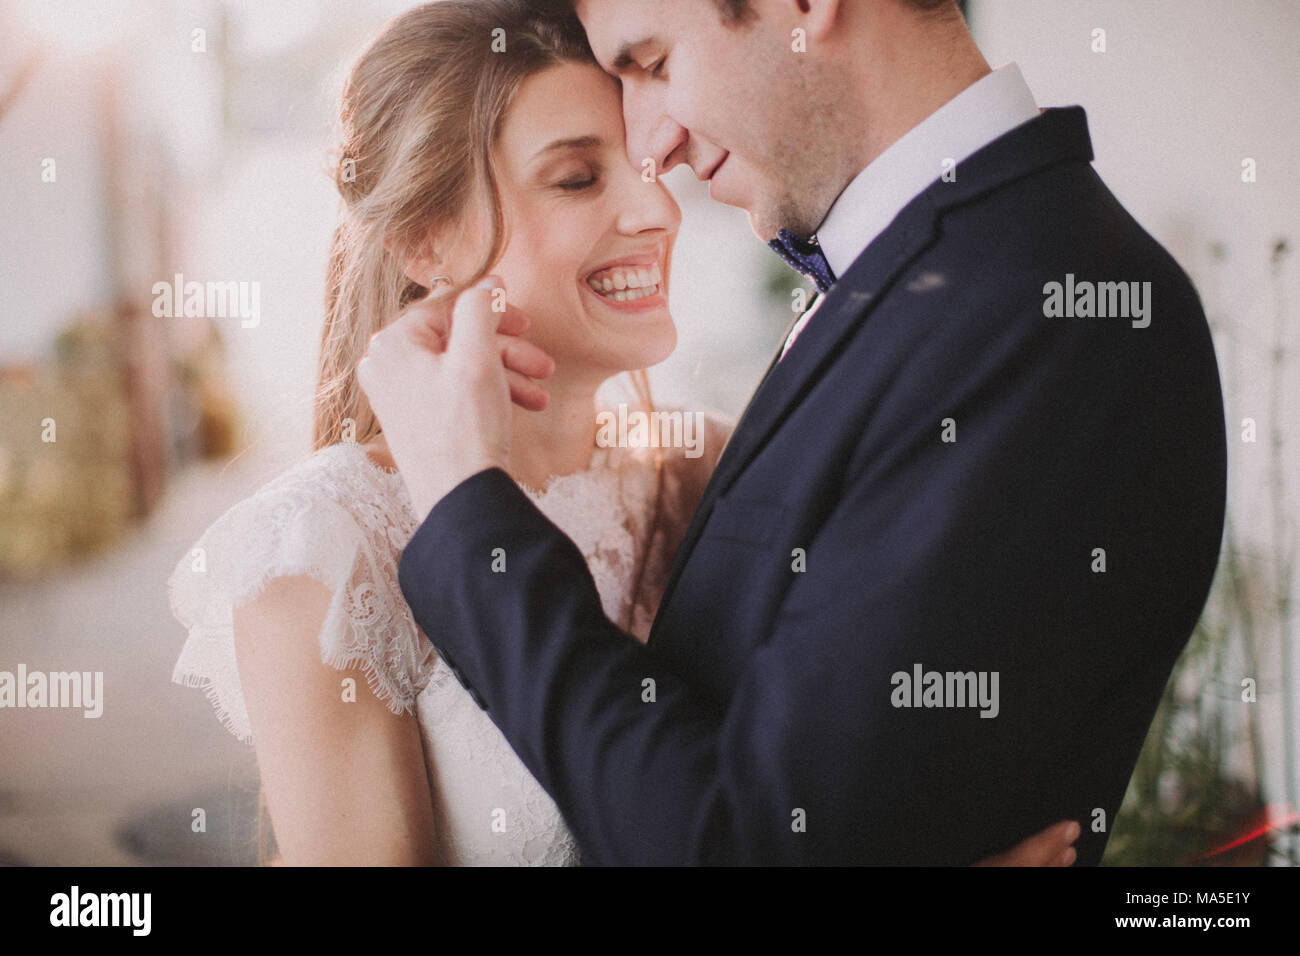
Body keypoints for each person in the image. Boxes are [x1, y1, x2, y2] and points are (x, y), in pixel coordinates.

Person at [168, 0, 1077, 866]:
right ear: (423, 239)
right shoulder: (323, 551)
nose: (657, 212)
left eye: (648, 170)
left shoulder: (711, 469)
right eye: (576, 177)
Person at [361, 0, 1227, 865]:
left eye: (656, 64)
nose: (650, 148)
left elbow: (748, 843)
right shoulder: (915, 268)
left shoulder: (1052, 310)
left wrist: (467, 507)